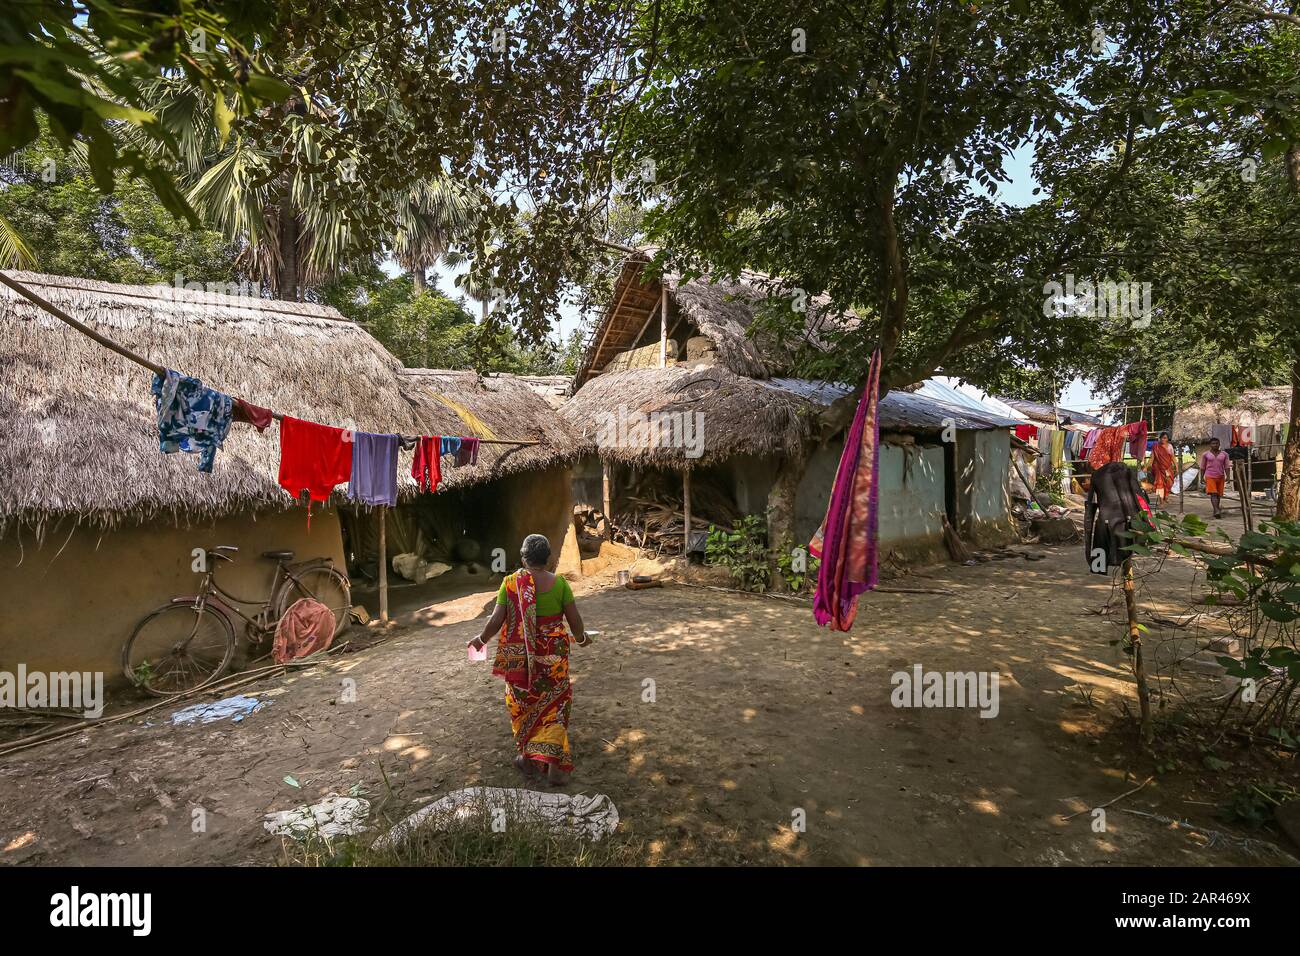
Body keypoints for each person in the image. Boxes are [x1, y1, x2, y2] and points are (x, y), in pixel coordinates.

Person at [469, 534, 587, 786]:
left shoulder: (511, 583)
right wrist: (582, 638)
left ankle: (527, 757)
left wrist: (481, 640)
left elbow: (496, 620)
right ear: (549, 559)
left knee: (522, 703)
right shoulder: (561, 584)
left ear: (523, 558)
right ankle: (553, 765)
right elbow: (574, 621)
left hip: (521, 658)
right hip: (553, 657)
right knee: (554, 704)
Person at [1198, 437, 1230, 520]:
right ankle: (1216, 510)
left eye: (1216, 443)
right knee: (1213, 493)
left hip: (1220, 476)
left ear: (1219, 444)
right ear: (1210, 445)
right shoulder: (1206, 454)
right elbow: (1202, 467)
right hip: (1210, 476)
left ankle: (1216, 509)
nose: (1215, 445)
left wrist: (1228, 476)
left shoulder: (1224, 454)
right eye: (1213, 443)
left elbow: (1227, 466)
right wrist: (1201, 477)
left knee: (1218, 494)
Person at [1151, 431, 1176, 506]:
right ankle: (1161, 501)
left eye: (1165, 438)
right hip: (1159, 469)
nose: (1163, 440)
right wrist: (1146, 467)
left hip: (1168, 469)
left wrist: (1177, 467)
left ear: (1168, 439)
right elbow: (1152, 458)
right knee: (1160, 485)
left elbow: (1173, 457)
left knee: (1169, 483)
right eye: (1161, 438)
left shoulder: (1170, 446)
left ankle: (1166, 496)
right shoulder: (1156, 447)